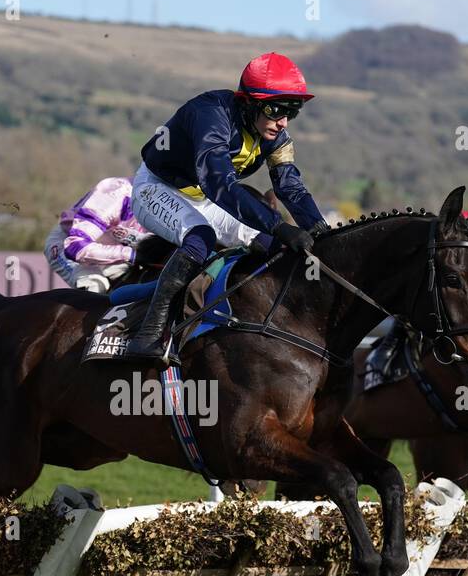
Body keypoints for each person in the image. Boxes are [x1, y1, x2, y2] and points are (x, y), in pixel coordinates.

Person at [123, 52, 331, 361]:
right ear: (248, 102)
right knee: (201, 237)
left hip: (203, 197)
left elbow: (290, 187)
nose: (283, 121)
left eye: (292, 111)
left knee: (273, 248)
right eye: (276, 110)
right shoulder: (210, 115)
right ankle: (148, 334)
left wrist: (320, 232)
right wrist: (279, 224)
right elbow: (219, 184)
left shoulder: (276, 136)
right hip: (156, 187)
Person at [44, 177, 153, 293]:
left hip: (115, 252)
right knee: (96, 286)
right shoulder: (119, 192)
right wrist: (131, 255)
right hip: (69, 243)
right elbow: (75, 247)